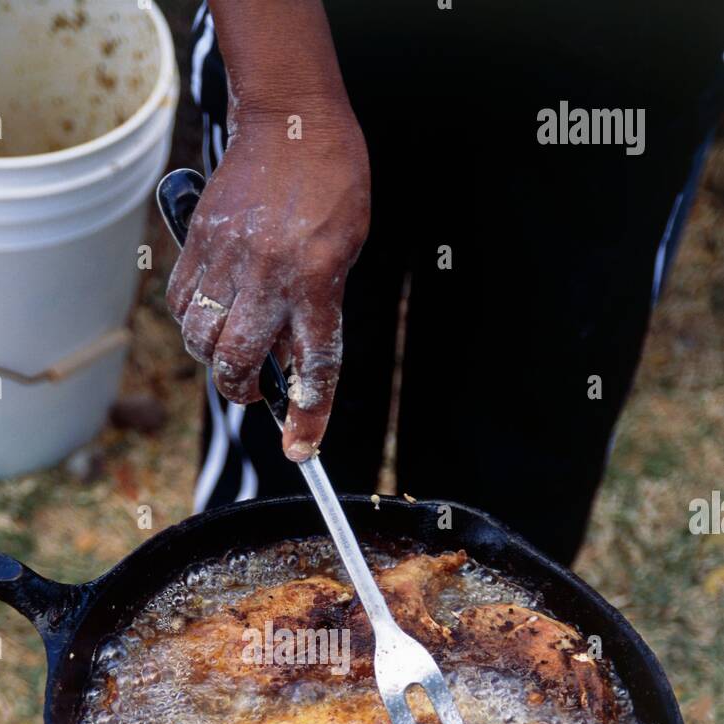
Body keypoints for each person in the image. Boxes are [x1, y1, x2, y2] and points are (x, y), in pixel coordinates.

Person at [167, 1, 724, 564]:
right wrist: (282, 103)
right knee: (274, 517)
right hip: (318, 41)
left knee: (511, 521)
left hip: (623, 61)